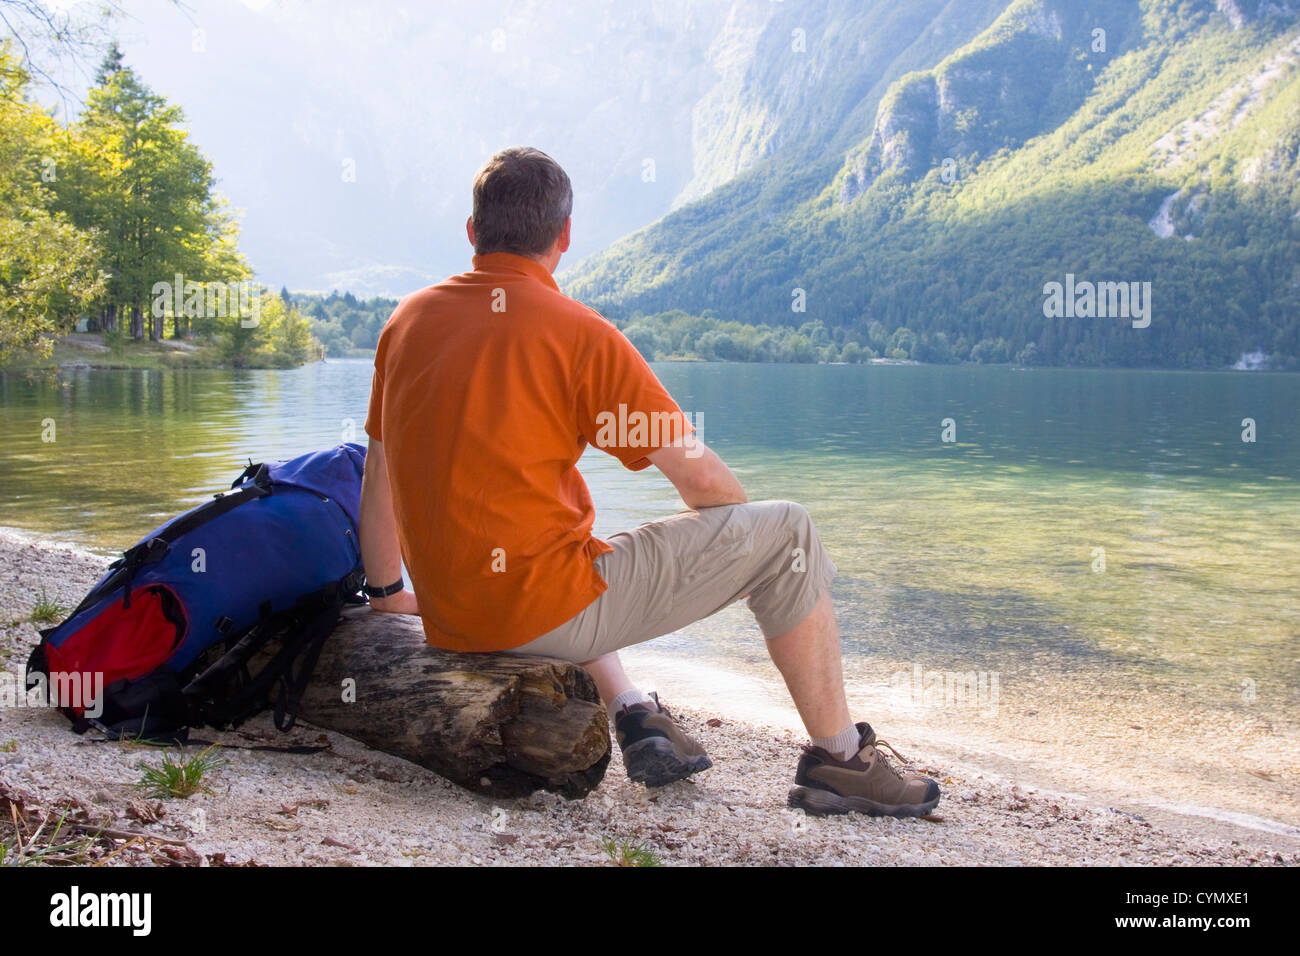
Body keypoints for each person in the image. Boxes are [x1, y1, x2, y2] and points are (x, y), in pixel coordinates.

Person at [358, 146, 940, 817]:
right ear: (565, 236)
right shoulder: (580, 335)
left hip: (453, 617)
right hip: (538, 616)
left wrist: (385, 595)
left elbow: (379, 483)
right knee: (788, 534)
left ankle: (634, 709)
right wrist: (738, 557)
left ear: (472, 232)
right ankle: (841, 759)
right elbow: (706, 486)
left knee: (577, 546)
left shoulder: (406, 323)